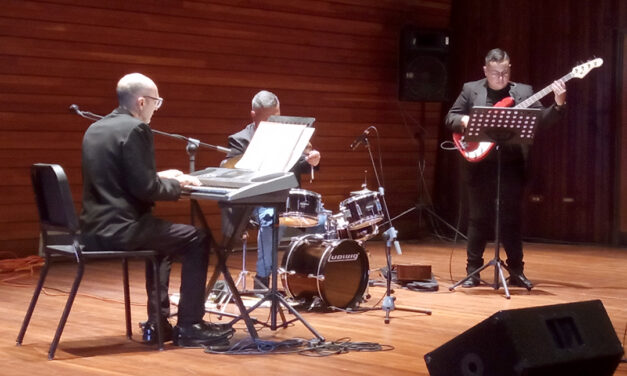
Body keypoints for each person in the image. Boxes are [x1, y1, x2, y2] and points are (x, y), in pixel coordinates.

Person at [79, 73, 234, 347]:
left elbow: (116, 177)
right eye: (155, 102)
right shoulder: (137, 129)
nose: (156, 108)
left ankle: (157, 324)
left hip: (92, 229)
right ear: (141, 102)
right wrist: (176, 184)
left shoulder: (97, 128)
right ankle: (190, 325)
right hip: (122, 228)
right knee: (196, 238)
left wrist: (160, 176)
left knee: (165, 241)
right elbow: (146, 190)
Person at [445, 48, 567, 289]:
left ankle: (516, 272)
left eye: (505, 72)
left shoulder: (524, 92)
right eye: (495, 73)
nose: (501, 77)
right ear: (485, 71)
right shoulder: (471, 89)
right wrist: (465, 120)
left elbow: (541, 121)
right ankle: (472, 271)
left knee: (511, 218)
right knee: (478, 217)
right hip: (479, 164)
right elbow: (450, 117)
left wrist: (558, 105)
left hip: (511, 164)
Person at [225, 90, 321, 289]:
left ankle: (315, 280)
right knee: (270, 219)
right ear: (254, 115)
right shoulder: (240, 140)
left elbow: (301, 165)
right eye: (268, 118)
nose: (274, 121)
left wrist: (312, 160)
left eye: (277, 115)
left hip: (289, 200)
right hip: (256, 202)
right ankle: (262, 279)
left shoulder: (288, 136)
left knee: (323, 221)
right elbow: (233, 171)